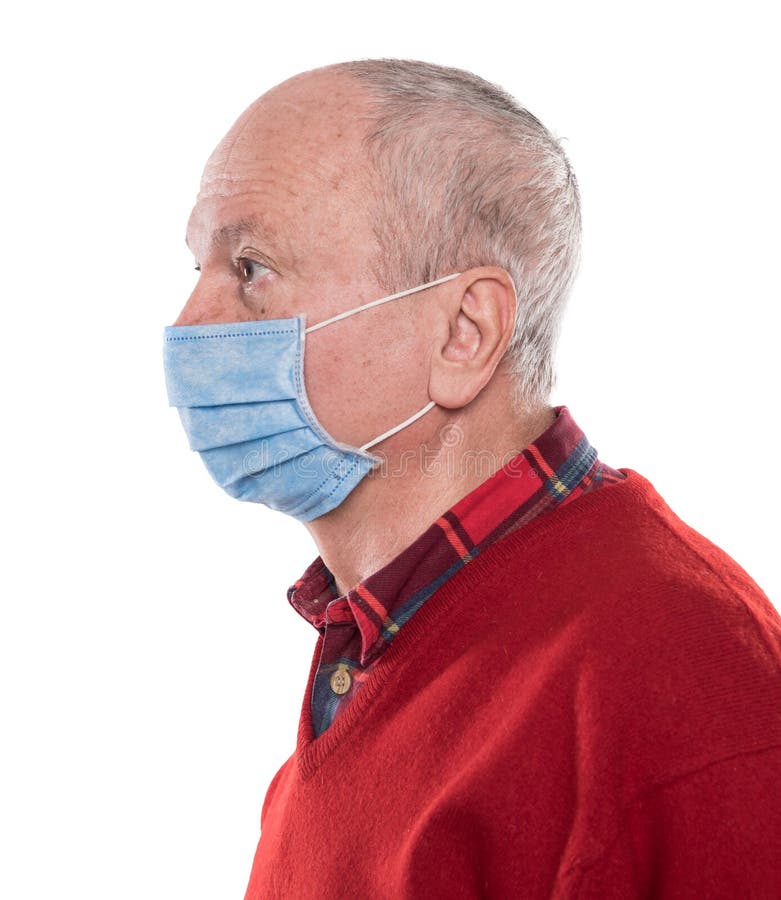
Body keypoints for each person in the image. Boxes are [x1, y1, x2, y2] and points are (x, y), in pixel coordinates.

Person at [163, 59, 781, 899]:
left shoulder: (679, 680)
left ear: (463, 332)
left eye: (250, 268)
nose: (188, 323)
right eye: (197, 267)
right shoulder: (370, 654)